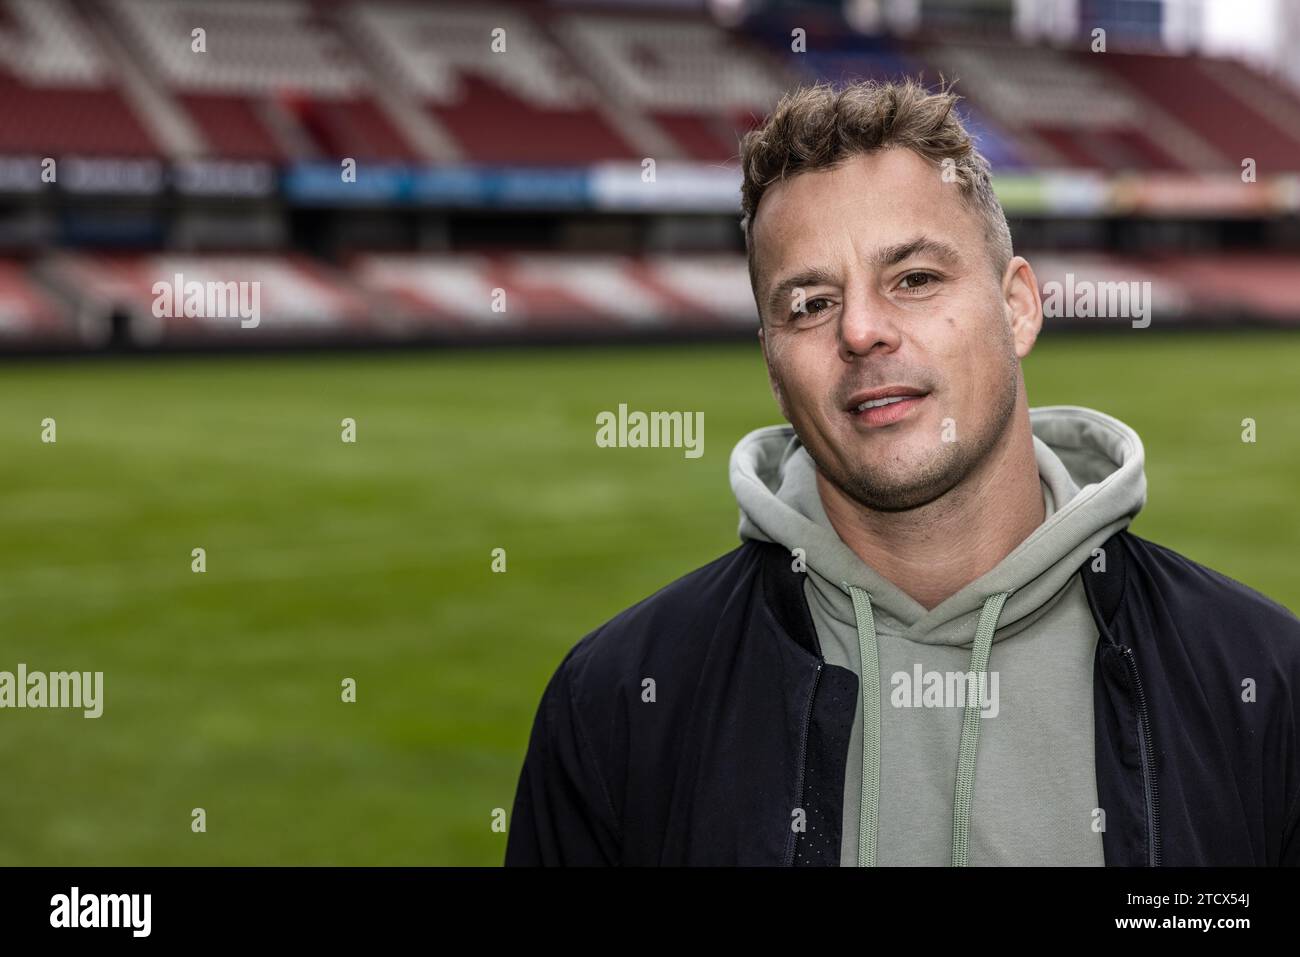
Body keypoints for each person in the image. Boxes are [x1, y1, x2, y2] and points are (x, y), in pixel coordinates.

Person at [504, 78, 1300, 866]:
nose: (860, 330)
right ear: (773, 367)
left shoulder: (1265, 681)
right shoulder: (617, 702)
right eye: (809, 304)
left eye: (915, 278)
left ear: (1018, 306)